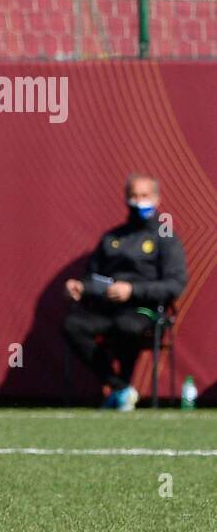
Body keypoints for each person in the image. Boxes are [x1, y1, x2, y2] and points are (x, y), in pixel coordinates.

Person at [62, 173, 187, 410]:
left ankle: (121, 390)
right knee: (72, 325)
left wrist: (133, 290)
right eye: (133, 196)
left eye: (144, 196)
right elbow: (92, 276)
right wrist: (81, 287)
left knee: (127, 326)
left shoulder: (165, 238)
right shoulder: (112, 237)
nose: (138, 201)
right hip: (107, 306)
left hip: (144, 309)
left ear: (156, 199)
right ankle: (119, 387)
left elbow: (175, 284)